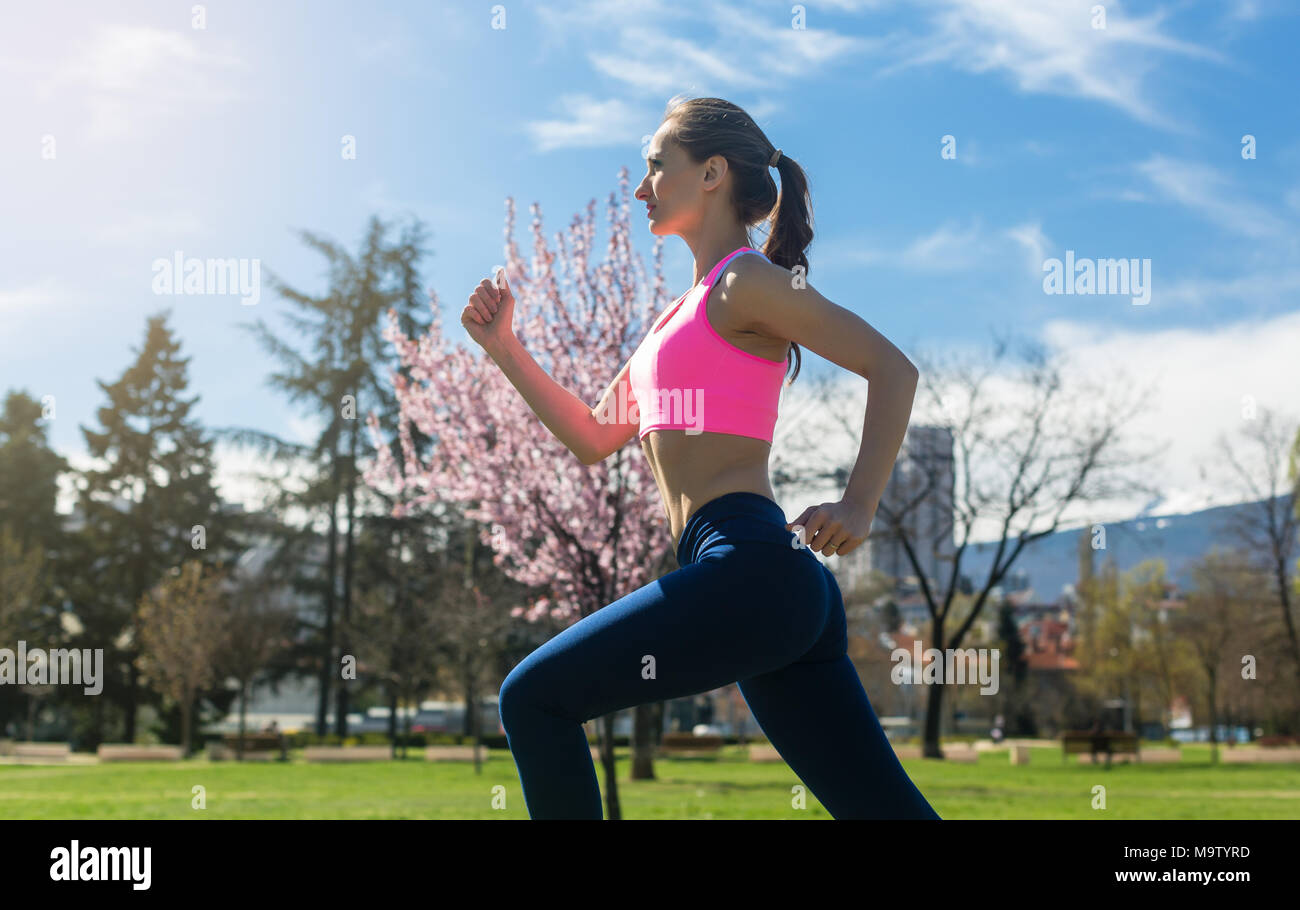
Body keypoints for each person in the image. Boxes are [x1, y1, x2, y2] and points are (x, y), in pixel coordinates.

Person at [465, 96, 940, 820]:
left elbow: (891, 368)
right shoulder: (674, 318)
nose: (640, 187)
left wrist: (860, 504)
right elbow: (594, 436)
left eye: (658, 165)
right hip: (762, 591)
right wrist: (506, 347)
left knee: (533, 699)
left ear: (712, 172)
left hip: (748, 567)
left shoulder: (745, 282)